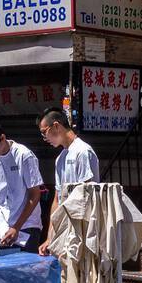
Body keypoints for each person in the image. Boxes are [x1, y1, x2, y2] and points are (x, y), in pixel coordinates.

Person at [0, 119, 45, 252]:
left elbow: (35, 194)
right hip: (2, 225)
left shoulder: (24, 155)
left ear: (2, 138)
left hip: (27, 225)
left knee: (25, 270)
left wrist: (16, 227)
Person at [37, 109, 99, 256]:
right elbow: (57, 198)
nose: (45, 138)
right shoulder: (60, 159)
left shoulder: (82, 151)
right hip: (66, 228)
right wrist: (50, 236)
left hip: (83, 228)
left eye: (44, 132)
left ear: (56, 126)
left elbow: (87, 196)